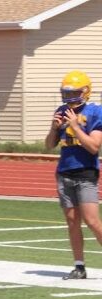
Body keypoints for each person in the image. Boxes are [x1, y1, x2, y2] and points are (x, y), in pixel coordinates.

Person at [45, 70, 102, 279]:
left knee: (93, 221)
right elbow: (49, 145)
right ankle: (79, 266)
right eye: (67, 94)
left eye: (74, 93)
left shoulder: (96, 111)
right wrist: (54, 128)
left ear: (86, 91)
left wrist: (76, 127)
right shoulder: (62, 111)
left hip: (86, 172)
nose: (70, 98)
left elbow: (94, 147)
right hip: (64, 172)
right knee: (72, 222)